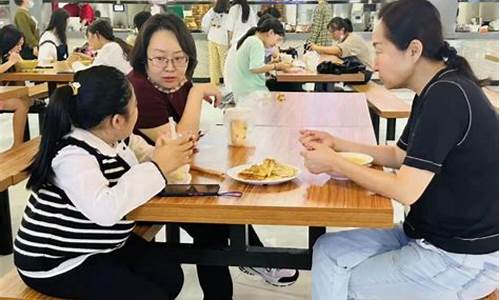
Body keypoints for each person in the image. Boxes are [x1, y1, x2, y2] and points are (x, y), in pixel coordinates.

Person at [299, 1, 499, 299]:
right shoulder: (434, 90)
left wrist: (336, 163)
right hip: (423, 234)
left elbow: (406, 190)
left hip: (460, 257)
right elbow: (399, 156)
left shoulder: (448, 97)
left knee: (348, 283)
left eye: (379, 50)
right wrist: (337, 145)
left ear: (414, 50)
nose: (374, 63)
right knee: (328, 249)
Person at [128, 14, 299, 299]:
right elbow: (179, 143)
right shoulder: (138, 89)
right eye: (159, 58)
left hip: (172, 174)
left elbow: (186, 140)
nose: (170, 67)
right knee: (213, 229)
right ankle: (252, 260)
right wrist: (196, 93)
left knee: (229, 196)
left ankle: (252, 257)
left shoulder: (174, 79)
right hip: (141, 183)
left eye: (179, 58)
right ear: (143, 56)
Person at [13, 65, 189, 299]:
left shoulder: (111, 140)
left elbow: (127, 176)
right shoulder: (72, 155)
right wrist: (157, 167)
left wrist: (157, 157)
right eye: (135, 106)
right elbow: (105, 210)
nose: (138, 109)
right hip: (56, 261)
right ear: (117, 120)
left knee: (170, 277)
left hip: (99, 244)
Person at [231, 17, 293, 99]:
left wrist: (272, 64)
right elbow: (255, 68)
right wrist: (276, 66)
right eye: (278, 39)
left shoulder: (252, 40)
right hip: (251, 92)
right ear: (270, 32)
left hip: (246, 90)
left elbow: (255, 66)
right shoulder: (256, 43)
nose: (276, 44)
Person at [0, 25, 32, 149]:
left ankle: (21, 143)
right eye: (17, 45)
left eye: (21, 45)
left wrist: (19, 62)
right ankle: (18, 145)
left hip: (4, 94)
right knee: (21, 105)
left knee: (25, 99)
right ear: (8, 42)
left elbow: (21, 76)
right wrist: (10, 63)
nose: (20, 48)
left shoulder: (7, 56)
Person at [67, 19, 132, 75]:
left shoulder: (109, 49)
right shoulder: (114, 46)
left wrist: (74, 63)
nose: (88, 42)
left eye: (89, 37)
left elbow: (87, 74)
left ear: (96, 35)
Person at [307, 17, 373, 68]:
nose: (331, 34)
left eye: (332, 32)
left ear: (342, 30)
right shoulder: (342, 40)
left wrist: (315, 47)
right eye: (330, 32)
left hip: (364, 73)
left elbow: (337, 51)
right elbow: (333, 52)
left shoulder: (352, 38)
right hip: (356, 71)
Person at [201, 0, 230, 85]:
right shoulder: (229, 13)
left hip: (212, 38)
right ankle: (228, 84)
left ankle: (214, 84)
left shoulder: (212, 11)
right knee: (224, 65)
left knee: (213, 64)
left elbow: (205, 25)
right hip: (223, 40)